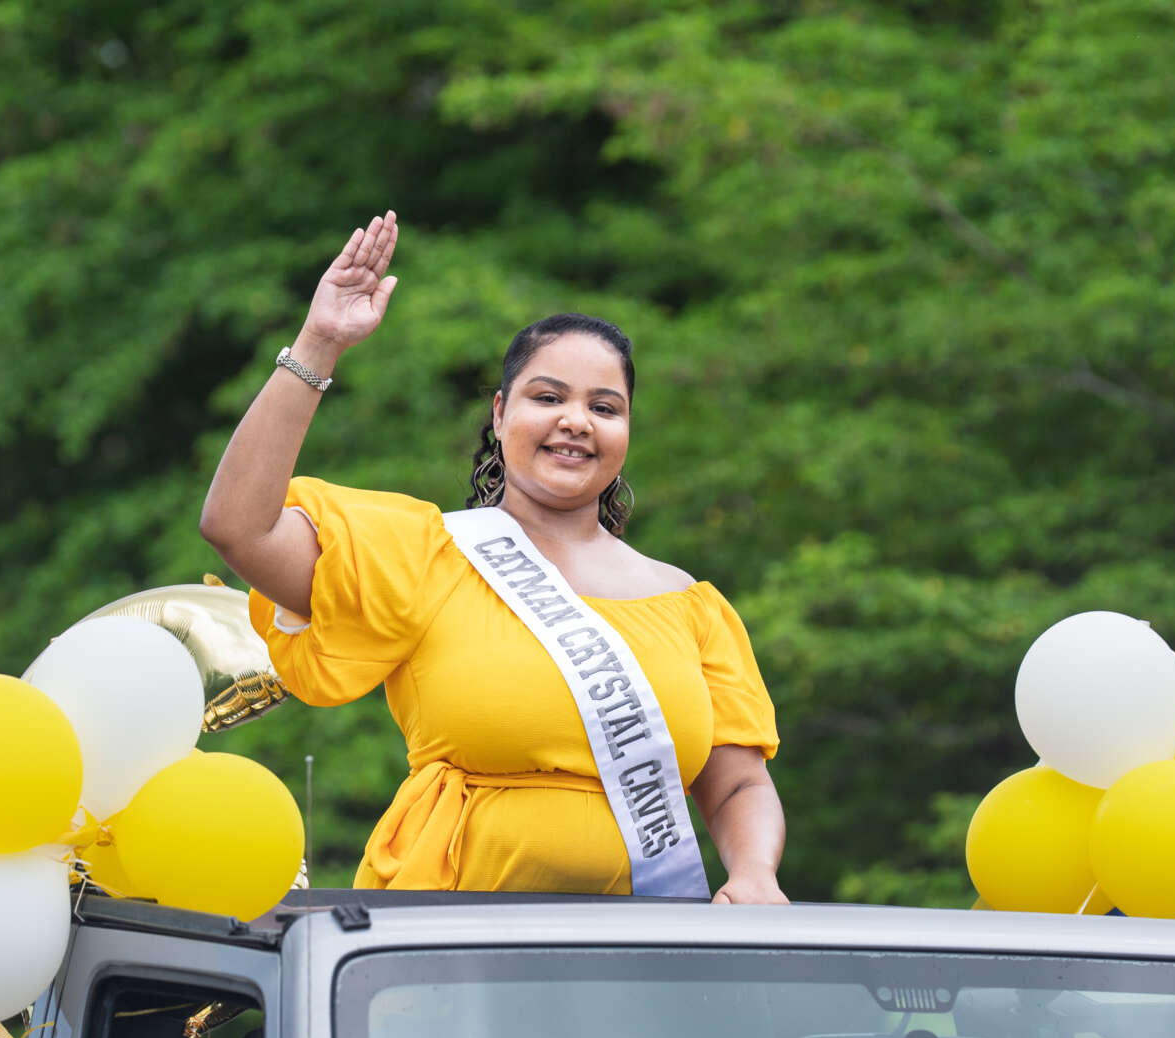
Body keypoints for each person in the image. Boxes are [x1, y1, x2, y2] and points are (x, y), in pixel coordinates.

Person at [196, 210, 787, 900]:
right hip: (449, 946)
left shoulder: (689, 603)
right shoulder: (427, 555)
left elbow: (739, 782)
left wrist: (754, 873)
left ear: (626, 431)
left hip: (634, 959)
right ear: (500, 414)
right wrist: (319, 343)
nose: (575, 420)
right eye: (548, 397)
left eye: (605, 406)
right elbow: (240, 527)